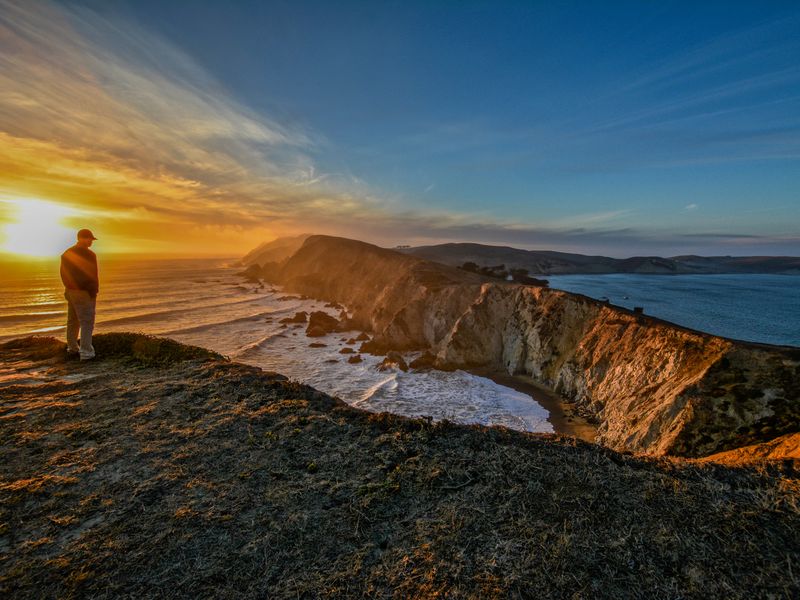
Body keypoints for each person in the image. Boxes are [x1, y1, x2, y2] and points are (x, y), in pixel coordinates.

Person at [60, 229, 99, 360]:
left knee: (73, 320)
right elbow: (91, 275)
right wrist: (92, 291)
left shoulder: (67, 253)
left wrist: (68, 288)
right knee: (87, 321)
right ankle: (86, 353)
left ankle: (72, 348)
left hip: (71, 291)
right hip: (83, 292)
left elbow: (63, 274)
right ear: (82, 238)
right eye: (89, 239)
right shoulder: (89, 255)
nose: (91, 242)